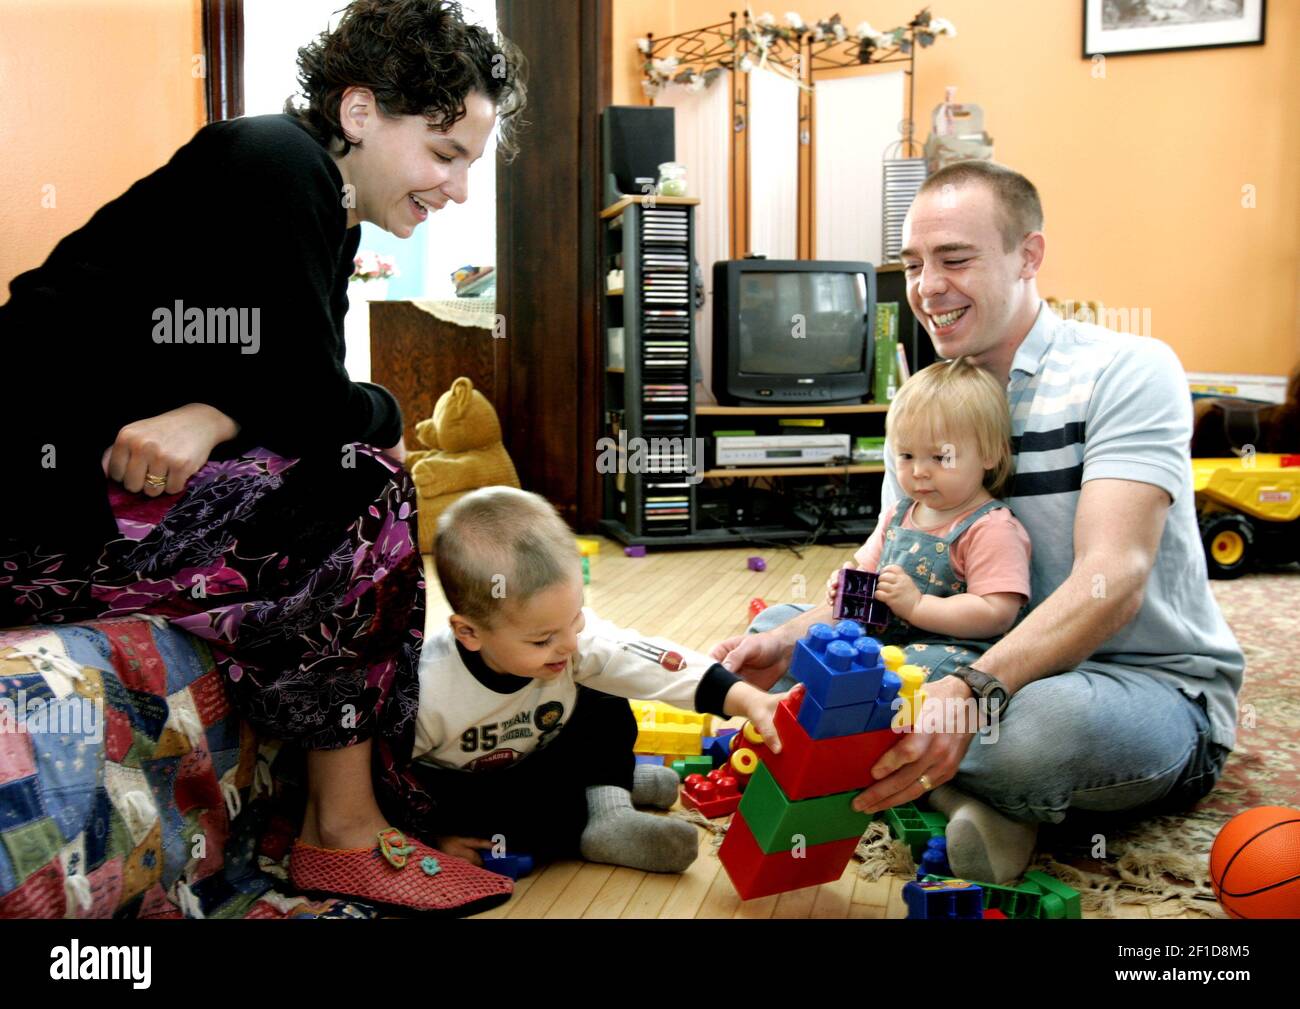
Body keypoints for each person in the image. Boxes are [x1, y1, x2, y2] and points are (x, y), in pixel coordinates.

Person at [0, 0, 526, 915]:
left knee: (362, 482)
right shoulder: (278, 163)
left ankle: (342, 815)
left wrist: (213, 413)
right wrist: (380, 407)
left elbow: (277, 382)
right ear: (358, 112)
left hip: (94, 485)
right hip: (35, 512)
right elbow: (321, 403)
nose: (458, 190)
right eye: (446, 155)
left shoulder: (322, 204)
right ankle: (344, 831)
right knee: (362, 490)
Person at [712, 160, 1243, 885]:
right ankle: (980, 799)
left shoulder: (1128, 369)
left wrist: (972, 692)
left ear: (1029, 256)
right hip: (957, 656)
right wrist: (790, 639)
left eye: (955, 258)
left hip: (1126, 687)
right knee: (798, 645)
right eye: (913, 263)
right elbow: (880, 568)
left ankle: (938, 767)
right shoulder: (927, 403)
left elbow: (1111, 578)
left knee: (1040, 730)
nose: (927, 286)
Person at [373, 486, 785, 874]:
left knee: (606, 684)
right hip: (479, 786)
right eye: (542, 638)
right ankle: (601, 801)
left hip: (548, 750)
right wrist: (428, 837)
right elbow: (383, 778)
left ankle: (609, 800)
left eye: (576, 618)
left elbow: (652, 663)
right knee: (511, 824)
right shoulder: (427, 689)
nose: (569, 643)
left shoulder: (570, 644)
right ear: (469, 633)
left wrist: (745, 698)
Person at [814, 357, 1032, 685]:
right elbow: (865, 569)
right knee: (820, 647)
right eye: (906, 456)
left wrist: (916, 606)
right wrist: (847, 588)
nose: (918, 471)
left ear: (990, 454)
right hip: (887, 644)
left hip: (952, 652)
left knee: (904, 674)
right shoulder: (897, 515)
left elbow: (996, 614)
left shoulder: (992, 527)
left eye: (940, 457)